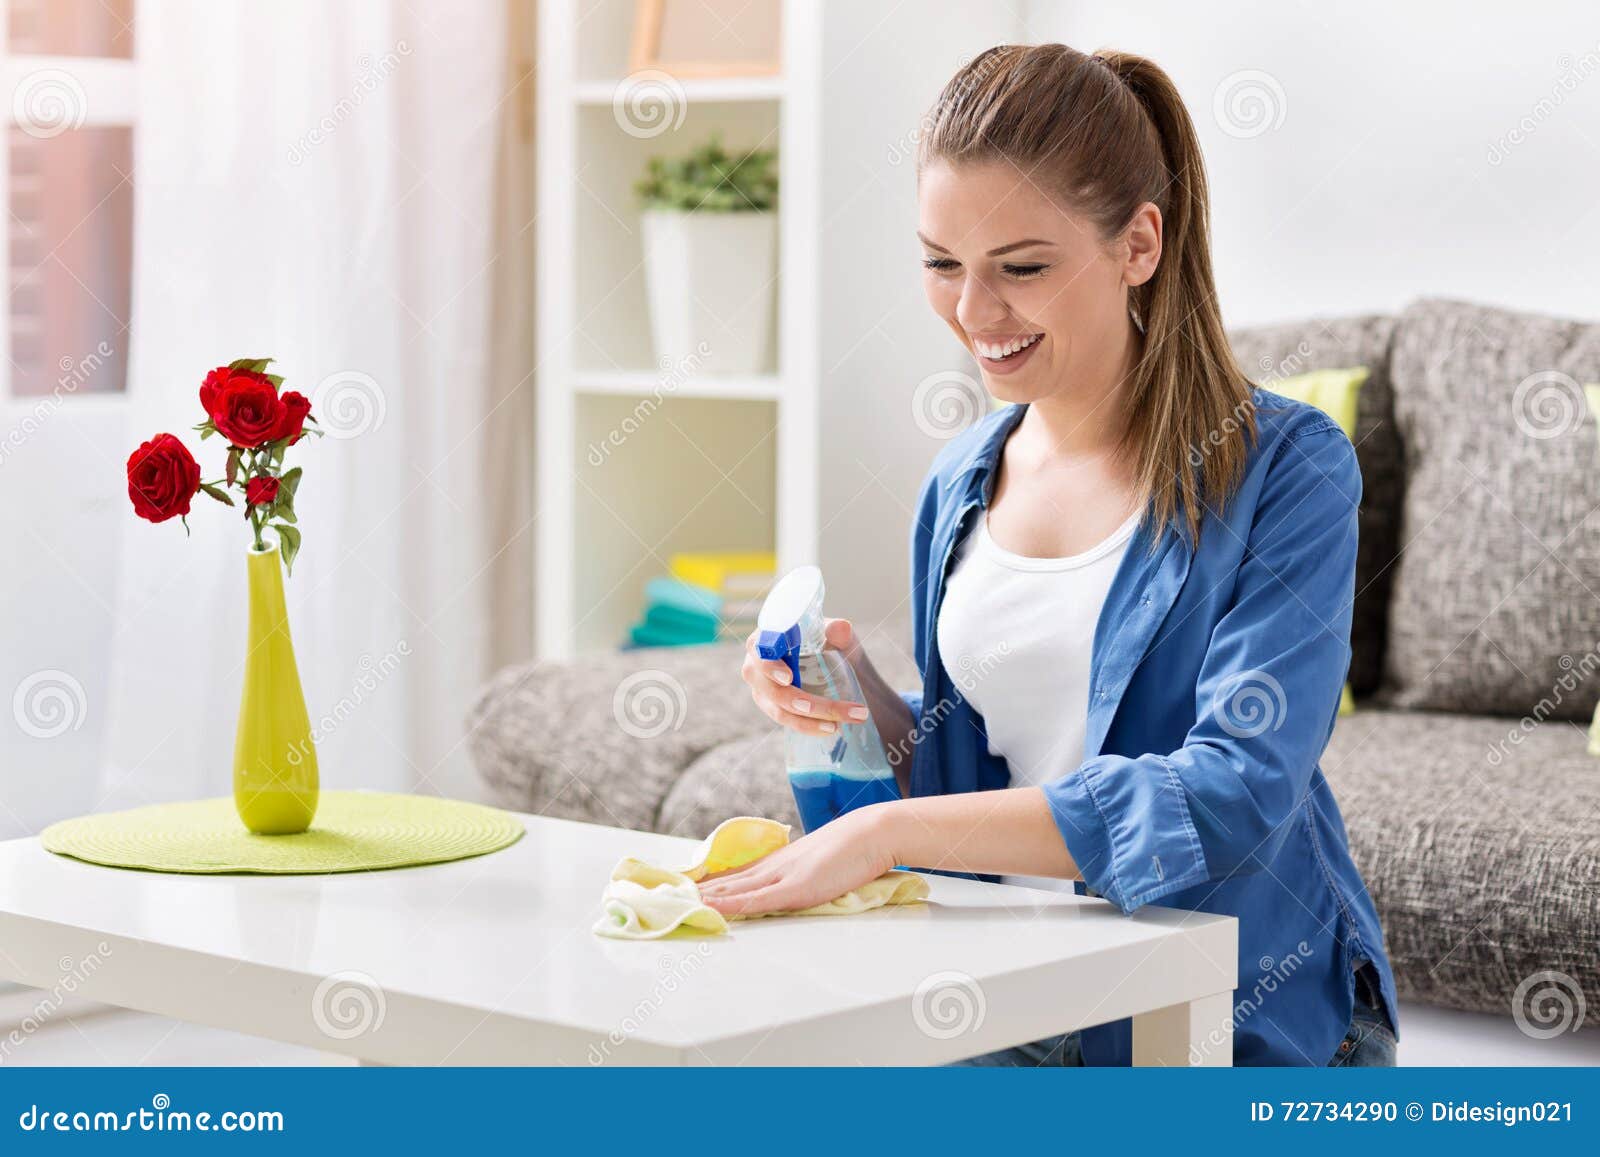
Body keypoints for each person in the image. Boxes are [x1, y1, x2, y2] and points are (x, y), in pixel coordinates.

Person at [701, 43, 1396, 1068]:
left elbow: (1236, 787)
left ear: (1139, 245)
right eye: (942, 263)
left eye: (1021, 267)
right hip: (1022, 1006)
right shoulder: (959, 481)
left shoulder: (1286, 469)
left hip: (1233, 1015)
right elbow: (965, 766)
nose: (975, 316)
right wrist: (852, 697)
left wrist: (886, 836)